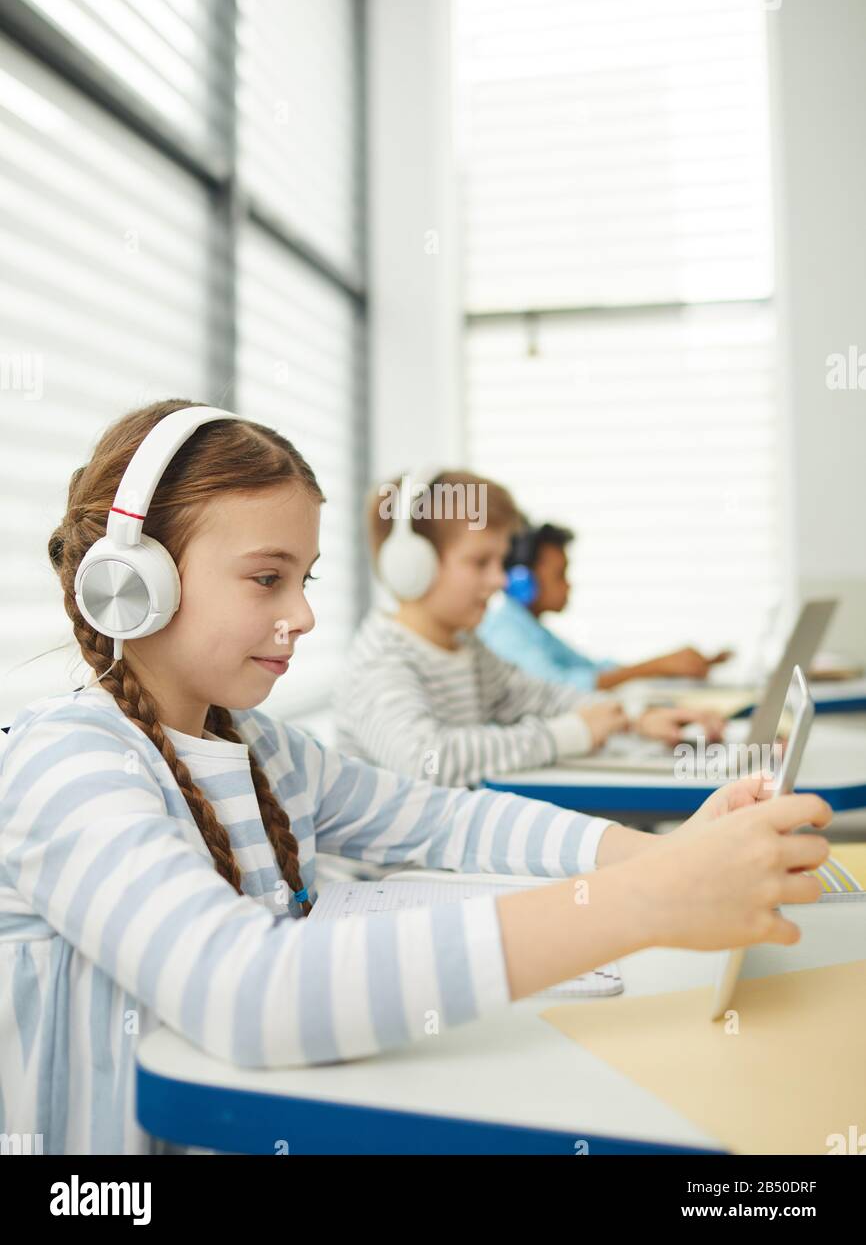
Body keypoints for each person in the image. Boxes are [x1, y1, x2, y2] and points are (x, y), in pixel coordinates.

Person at [0, 414, 830, 1155]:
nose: (306, 613)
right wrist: (645, 902)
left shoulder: (265, 749)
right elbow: (245, 991)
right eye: (267, 578)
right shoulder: (68, 764)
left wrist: (655, 855)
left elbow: (446, 822)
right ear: (136, 583)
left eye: (306, 579)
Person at [335, 470, 730, 787]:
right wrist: (565, 735)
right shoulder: (381, 659)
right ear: (412, 566)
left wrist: (635, 716)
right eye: (480, 562)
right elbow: (427, 759)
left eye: (500, 562)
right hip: (390, 879)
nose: (500, 580)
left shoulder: (466, 647)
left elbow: (542, 698)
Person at [480, 521, 730, 692]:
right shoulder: (505, 629)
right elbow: (559, 687)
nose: (568, 585)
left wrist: (669, 667)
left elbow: (592, 670)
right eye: (560, 575)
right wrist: (656, 666)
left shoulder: (530, 628)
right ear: (522, 582)